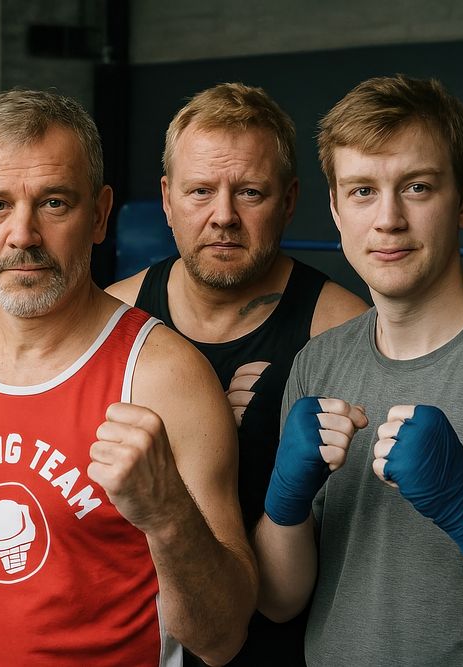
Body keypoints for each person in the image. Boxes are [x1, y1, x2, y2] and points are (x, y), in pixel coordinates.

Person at [0, 89, 258, 666]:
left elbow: (221, 639)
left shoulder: (163, 379)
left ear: (98, 214)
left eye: (53, 203)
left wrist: (168, 513)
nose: (23, 235)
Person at [254, 74, 463, 666]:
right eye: (363, 191)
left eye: (417, 187)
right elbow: (277, 600)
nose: (388, 218)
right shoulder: (320, 362)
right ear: (337, 211)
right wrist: (284, 502)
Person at [107, 82, 366, 665]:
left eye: (250, 192)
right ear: (168, 199)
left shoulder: (344, 332)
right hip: (143, 639)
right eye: (201, 191)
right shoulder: (113, 320)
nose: (223, 216)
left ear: (290, 198)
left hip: (292, 642)